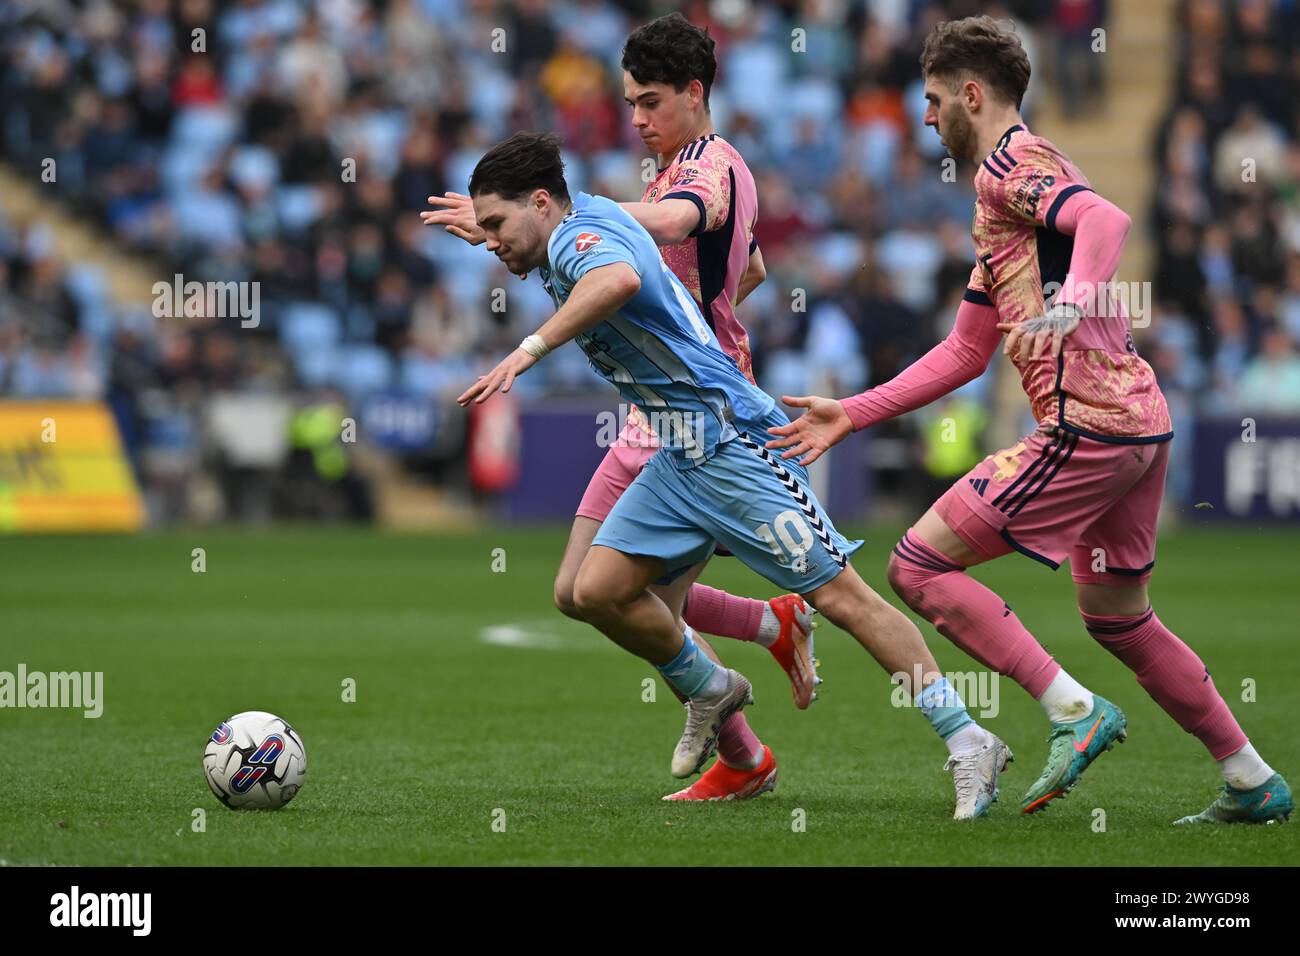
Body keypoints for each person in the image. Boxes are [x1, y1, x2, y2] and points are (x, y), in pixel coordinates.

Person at [767, 15, 1292, 824]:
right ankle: (1252, 779)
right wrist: (854, 412)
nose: (926, 117)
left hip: (1088, 424)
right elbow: (964, 352)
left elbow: (1108, 221)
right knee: (1119, 618)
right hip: (1138, 423)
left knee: (917, 566)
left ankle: (1073, 710)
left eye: (935, 99)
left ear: (973, 95)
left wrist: (1073, 304)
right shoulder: (1016, 192)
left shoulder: (1010, 166)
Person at [456, 130, 1010, 820]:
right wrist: (487, 224)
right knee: (593, 590)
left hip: (732, 444)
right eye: (484, 229)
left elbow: (619, 280)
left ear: (541, 202)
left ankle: (969, 738)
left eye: (497, 225)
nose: (492, 241)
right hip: (678, 456)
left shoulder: (575, 242)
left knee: (845, 600)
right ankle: (713, 688)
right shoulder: (584, 217)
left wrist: (528, 350)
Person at [426, 14, 813, 803]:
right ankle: (769, 628)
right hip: (652, 408)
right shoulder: (669, 170)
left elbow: (673, 227)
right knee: (581, 591)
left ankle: (746, 755)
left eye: (649, 102)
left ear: (694, 94)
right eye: (630, 102)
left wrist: (561, 219)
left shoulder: (709, 166)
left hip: (702, 408)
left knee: (637, 600)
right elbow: (753, 268)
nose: (635, 118)